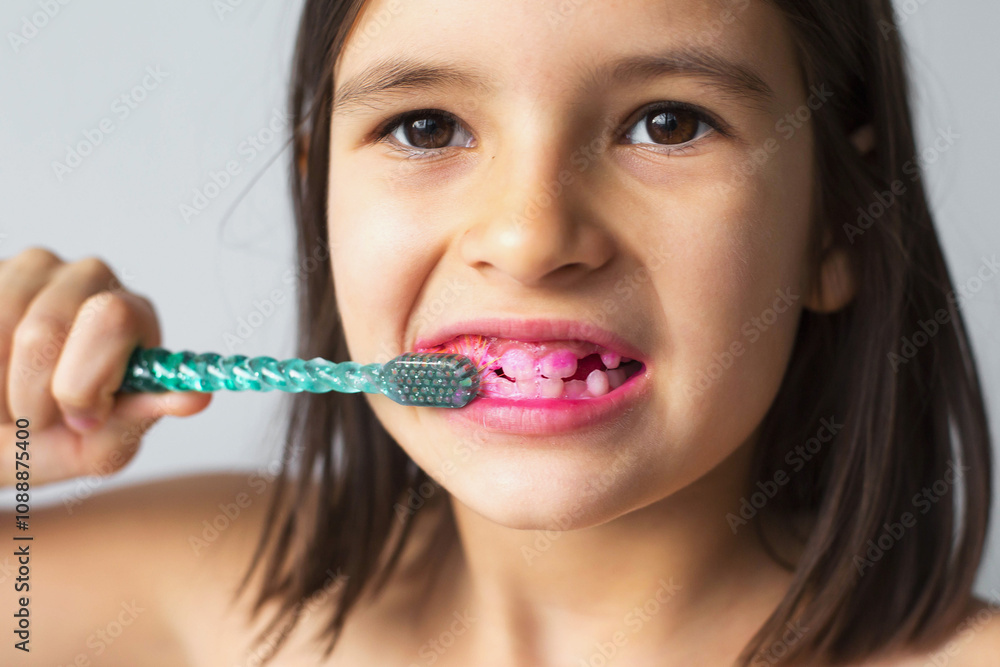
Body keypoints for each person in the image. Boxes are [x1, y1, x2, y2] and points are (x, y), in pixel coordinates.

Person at [2, 0, 998, 664]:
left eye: (666, 123)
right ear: (323, 204)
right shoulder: (195, 594)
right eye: (426, 127)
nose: (528, 237)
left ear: (838, 222)